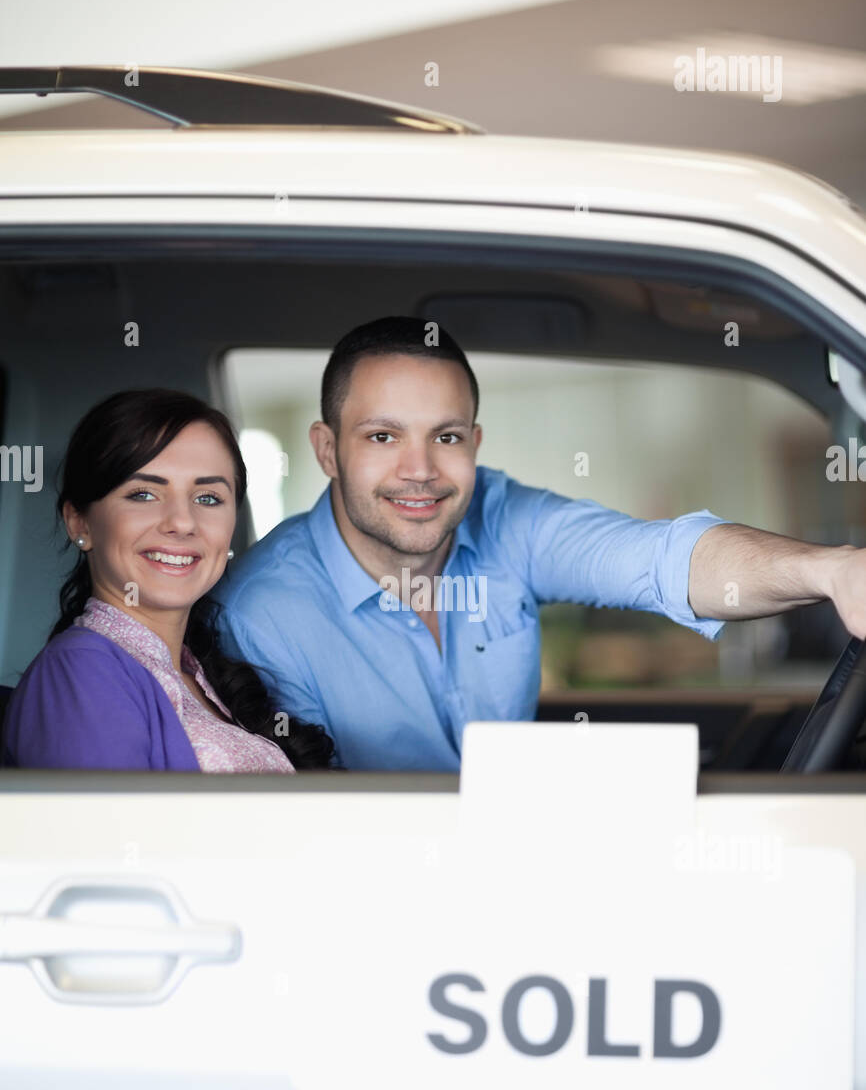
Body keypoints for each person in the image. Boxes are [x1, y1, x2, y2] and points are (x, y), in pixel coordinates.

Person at [212, 316, 866, 772]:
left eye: (447, 437)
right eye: (383, 437)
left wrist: (830, 569)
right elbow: (306, 819)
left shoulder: (501, 516)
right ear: (327, 449)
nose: (420, 470)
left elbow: (664, 560)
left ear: (475, 444)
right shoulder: (263, 616)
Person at [1, 389, 334, 772]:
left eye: (208, 498)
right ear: (80, 522)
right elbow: (114, 832)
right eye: (143, 494)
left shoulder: (205, 676)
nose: (182, 522)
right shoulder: (82, 670)